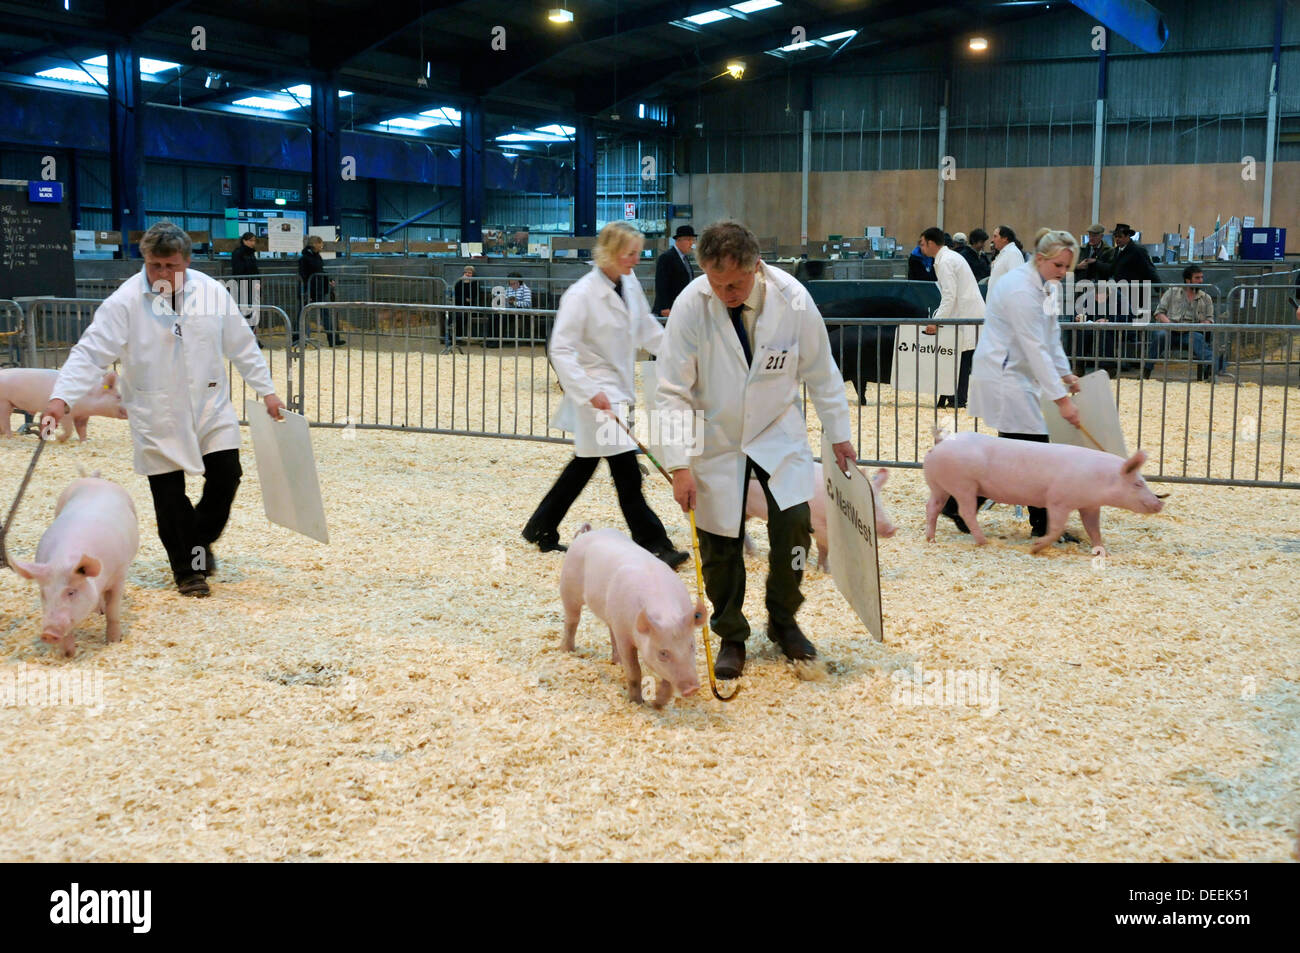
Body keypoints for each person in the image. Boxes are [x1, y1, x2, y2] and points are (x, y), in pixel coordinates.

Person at [655, 221, 855, 680]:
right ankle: (731, 633)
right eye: (716, 281)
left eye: (736, 283)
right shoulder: (691, 304)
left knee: (795, 530)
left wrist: (839, 433)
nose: (725, 291)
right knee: (719, 540)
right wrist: (680, 465)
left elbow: (821, 370)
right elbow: (670, 390)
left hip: (775, 429)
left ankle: (784, 620)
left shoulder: (793, 299)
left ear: (756, 267)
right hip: (716, 436)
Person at [42, 222, 285, 598]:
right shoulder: (124, 302)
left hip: (210, 404)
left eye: (171, 265)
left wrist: (267, 391)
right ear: (145, 260)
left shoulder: (211, 292)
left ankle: (197, 541)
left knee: (227, 475)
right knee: (169, 495)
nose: (162, 274)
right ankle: (188, 570)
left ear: (186, 261)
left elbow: (242, 345)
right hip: (155, 409)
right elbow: (90, 353)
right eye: (155, 265)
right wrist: (61, 399)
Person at [521, 222, 688, 567]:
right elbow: (561, 349)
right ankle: (655, 543)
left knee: (584, 465)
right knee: (626, 472)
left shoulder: (628, 284)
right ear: (610, 252)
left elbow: (645, 328)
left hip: (616, 391)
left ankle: (540, 527)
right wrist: (588, 390)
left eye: (637, 251)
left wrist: (679, 355)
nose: (636, 259)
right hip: (596, 393)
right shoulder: (581, 295)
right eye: (630, 252)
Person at [963, 228, 1083, 543]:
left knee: (1020, 457)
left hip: (1020, 377)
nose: (1063, 272)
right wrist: (1062, 401)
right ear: (1040, 258)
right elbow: (1035, 347)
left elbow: (1051, 337)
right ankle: (1043, 526)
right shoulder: (1020, 289)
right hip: (1006, 377)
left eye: (1066, 267)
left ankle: (959, 502)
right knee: (1034, 455)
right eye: (1058, 265)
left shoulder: (1048, 287)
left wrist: (1066, 373)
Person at [919, 226, 984, 409]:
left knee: (961, 357)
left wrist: (936, 321)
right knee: (959, 356)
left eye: (923, 244)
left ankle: (958, 400)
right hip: (965, 312)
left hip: (966, 314)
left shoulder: (946, 261)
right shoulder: (949, 258)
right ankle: (954, 398)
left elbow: (949, 295)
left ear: (931, 243)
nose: (922, 248)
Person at [1142, 265, 1229, 381]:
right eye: (1197, 278)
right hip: (1170, 329)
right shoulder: (1172, 292)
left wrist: (1201, 324)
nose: (1201, 281)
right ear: (1188, 280)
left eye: (1201, 278)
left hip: (1191, 331)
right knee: (1160, 335)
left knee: (1197, 339)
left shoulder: (1206, 298)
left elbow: (1209, 319)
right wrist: (1171, 324)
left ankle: (1213, 366)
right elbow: (1159, 313)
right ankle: (1146, 371)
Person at [298, 235, 342, 347]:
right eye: (320, 243)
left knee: (325, 314)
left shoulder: (317, 257)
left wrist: (329, 279)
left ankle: (333, 340)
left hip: (319, 290)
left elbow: (321, 271)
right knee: (302, 315)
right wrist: (307, 292)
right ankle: (299, 339)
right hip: (309, 291)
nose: (322, 246)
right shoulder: (304, 259)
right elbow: (304, 276)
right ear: (314, 244)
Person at [652, 225, 696, 317]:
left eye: (693, 240)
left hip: (681, 306)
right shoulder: (667, 257)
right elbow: (661, 284)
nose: (691, 243)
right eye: (688, 239)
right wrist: (665, 307)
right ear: (678, 240)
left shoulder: (684, 258)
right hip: (669, 308)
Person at [987, 225, 1025, 291]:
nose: (992, 240)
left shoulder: (1013, 253)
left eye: (995, 236)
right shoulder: (1003, 253)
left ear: (1005, 238)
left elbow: (1016, 281)